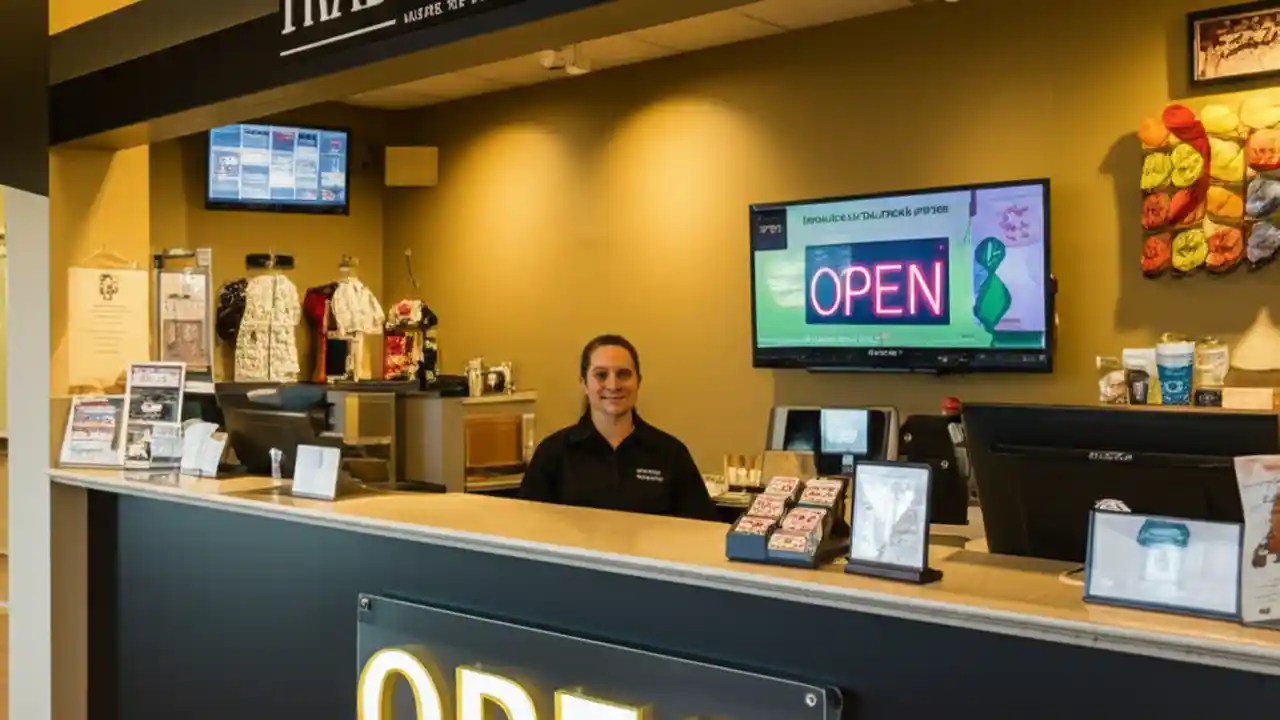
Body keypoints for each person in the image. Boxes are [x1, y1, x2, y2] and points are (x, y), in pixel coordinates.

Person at [519, 334, 717, 520]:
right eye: (601, 375)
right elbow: (529, 529)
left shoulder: (671, 453)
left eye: (623, 374)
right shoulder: (553, 453)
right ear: (584, 384)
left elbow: (701, 530)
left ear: (638, 381)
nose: (613, 385)